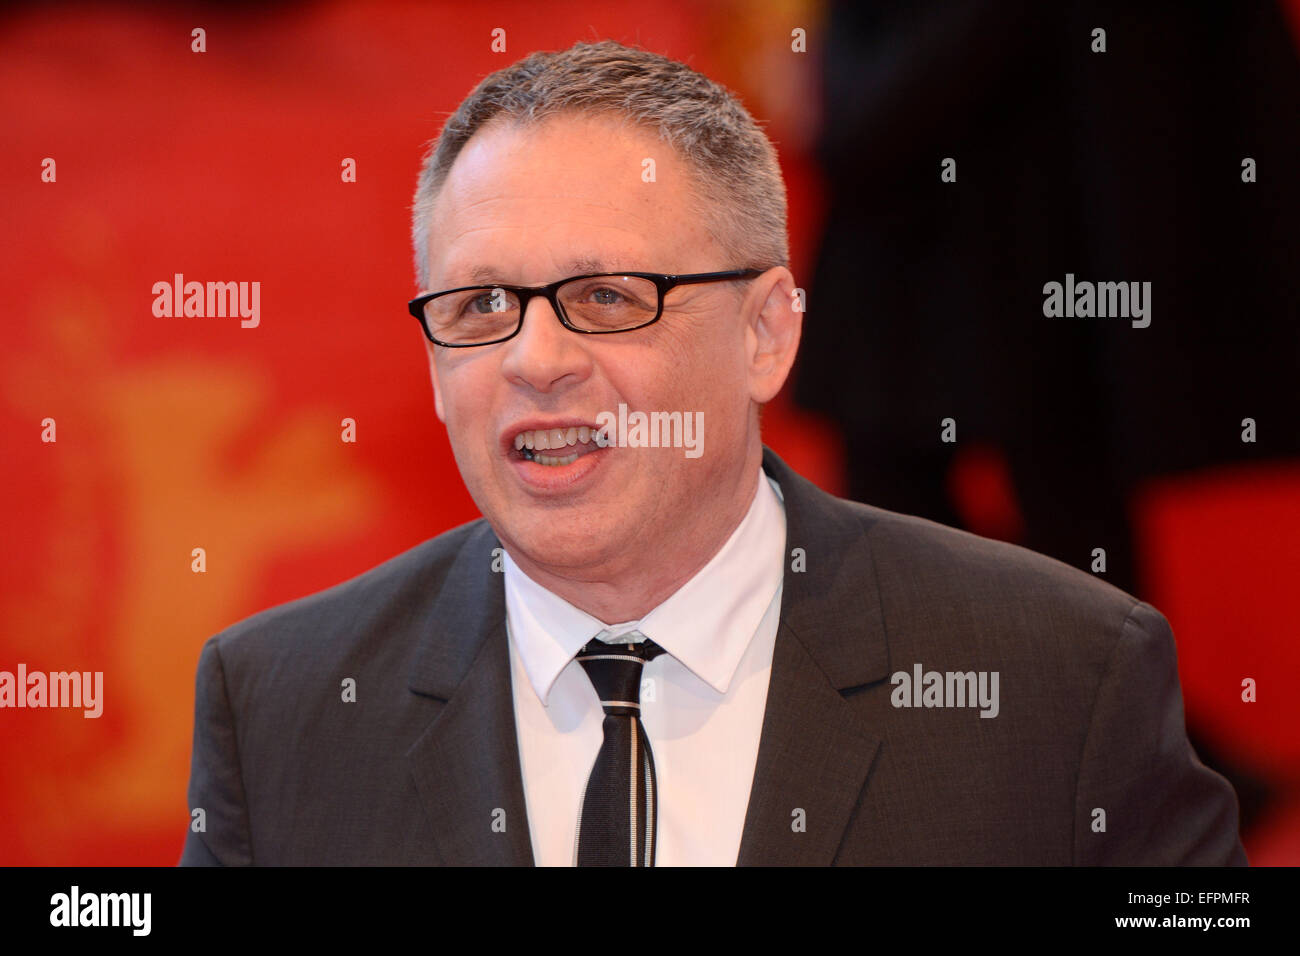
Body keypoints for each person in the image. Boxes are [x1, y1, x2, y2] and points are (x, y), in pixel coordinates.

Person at [180, 39, 1246, 866]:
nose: (533, 358)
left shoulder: (1060, 680)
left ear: (767, 334)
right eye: (481, 303)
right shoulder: (280, 703)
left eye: (605, 297)